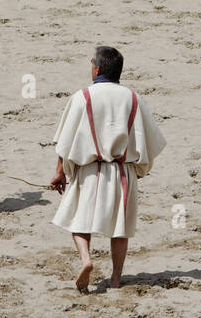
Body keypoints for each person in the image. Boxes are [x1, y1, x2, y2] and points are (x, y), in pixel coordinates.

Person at [49, 45, 166, 293]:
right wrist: (139, 169)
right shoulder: (133, 98)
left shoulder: (82, 96)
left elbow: (65, 141)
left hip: (90, 170)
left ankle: (86, 259)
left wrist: (59, 172)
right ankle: (115, 278)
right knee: (120, 229)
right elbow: (153, 141)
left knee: (78, 221)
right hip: (123, 172)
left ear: (97, 68)